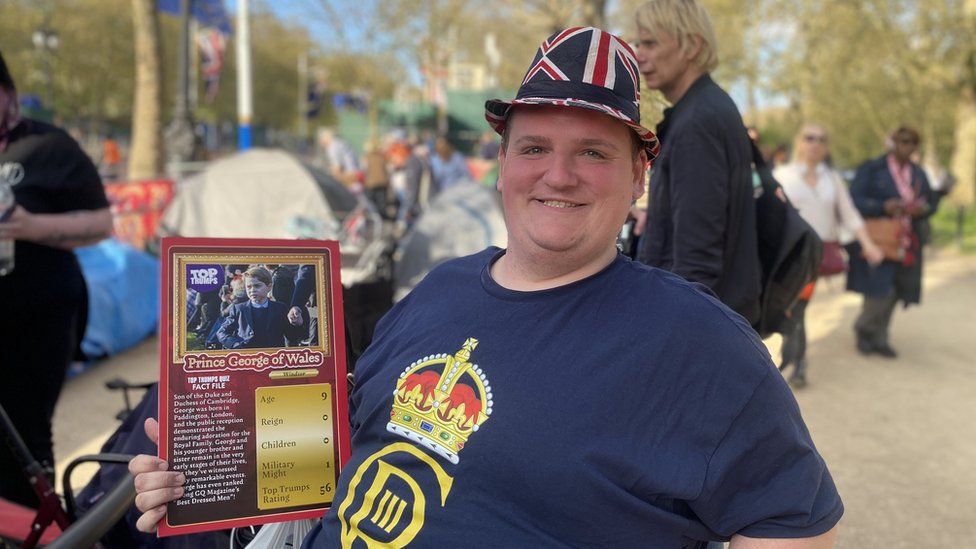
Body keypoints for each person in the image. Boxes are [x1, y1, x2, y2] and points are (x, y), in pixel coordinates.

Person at [129, 27, 841, 547]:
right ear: (500, 164)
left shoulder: (699, 342)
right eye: (534, 147)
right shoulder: (440, 289)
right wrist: (209, 472)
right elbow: (342, 444)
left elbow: (796, 528)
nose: (558, 175)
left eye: (593, 152)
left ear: (638, 178)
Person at [0, 50, 113, 507]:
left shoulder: (49, 145)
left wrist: (32, 227)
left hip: (40, 311)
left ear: (7, 91)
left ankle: (38, 522)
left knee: (26, 429)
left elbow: (103, 224)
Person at [632, 0, 761, 327]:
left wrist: (673, 335)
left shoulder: (697, 122)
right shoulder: (707, 107)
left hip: (695, 322)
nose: (638, 54)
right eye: (637, 43)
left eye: (650, 42)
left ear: (692, 46)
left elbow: (697, 260)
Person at [773, 123, 885, 387]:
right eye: (809, 138)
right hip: (788, 254)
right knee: (792, 310)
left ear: (826, 147)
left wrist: (868, 244)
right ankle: (793, 362)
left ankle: (794, 364)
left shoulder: (831, 179)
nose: (815, 143)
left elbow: (849, 214)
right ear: (799, 141)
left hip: (815, 257)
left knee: (797, 309)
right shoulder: (782, 175)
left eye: (821, 139)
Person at [847, 126, 939, 358]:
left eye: (911, 142)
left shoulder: (919, 174)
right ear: (892, 142)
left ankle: (881, 337)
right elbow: (854, 199)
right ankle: (864, 330)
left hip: (909, 242)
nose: (906, 146)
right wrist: (882, 206)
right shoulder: (873, 168)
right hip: (881, 238)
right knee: (878, 289)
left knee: (898, 290)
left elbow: (931, 203)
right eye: (902, 141)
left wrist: (921, 209)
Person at [216, 266, 305, 349]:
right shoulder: (239, 309)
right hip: (248, 359)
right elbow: (221, 332)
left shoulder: (280, 308)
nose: (252, 290)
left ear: (269, 287)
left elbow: (292, 336)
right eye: (249, 287)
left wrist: (298, 324)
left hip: (272, 358)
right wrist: (234, 344)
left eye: (257, 286)